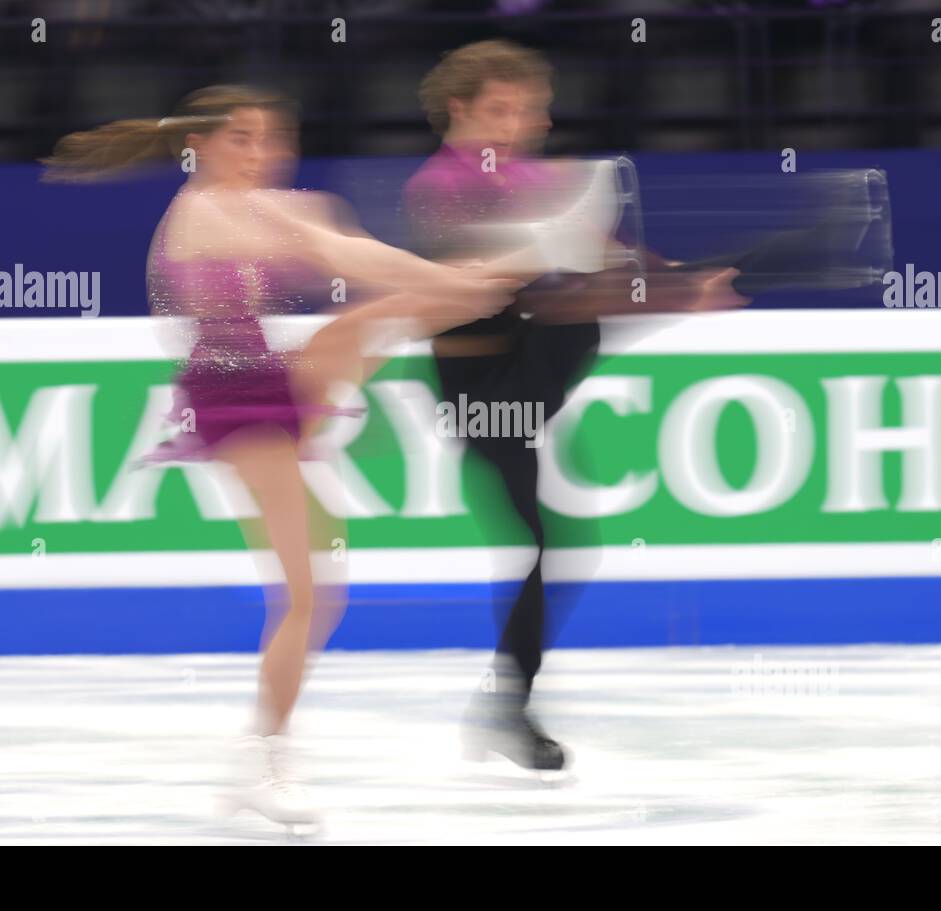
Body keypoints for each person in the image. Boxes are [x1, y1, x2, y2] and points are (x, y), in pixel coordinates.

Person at [44, 84, 521, 825]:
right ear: (197, 146)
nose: (262, 152)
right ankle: (265, 761)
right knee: (310, 595)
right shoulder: (206, 212)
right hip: (233, 398)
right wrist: (450, 282)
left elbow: (344, 249)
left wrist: (456, 286)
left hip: (273, 375)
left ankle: (265, 752)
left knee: (383, 315)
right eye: (243, 138)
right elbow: (330, 247)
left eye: (271, 137)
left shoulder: (258, 207)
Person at [405, 41, 746, 772]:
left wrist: (678, 279)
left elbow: (604, 254)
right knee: (579, 323)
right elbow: (496, 285)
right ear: (458, 109)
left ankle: (507, 709)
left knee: (555, 545)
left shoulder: (531, 178)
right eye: (501, 108)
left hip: (527, 361)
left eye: (530, 108)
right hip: (481, 389)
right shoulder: (440, 187)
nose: (520, 122)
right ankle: (507, 709)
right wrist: (657, 291)